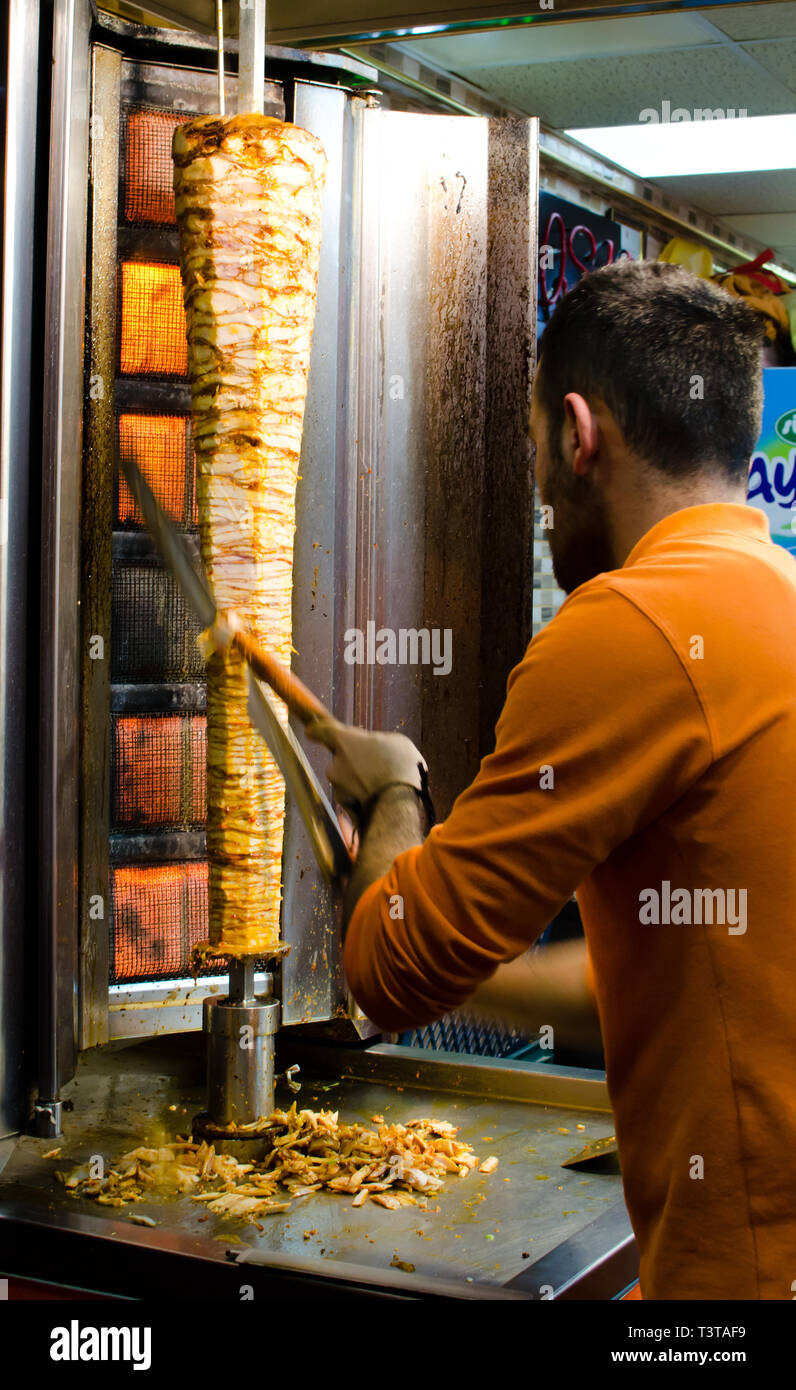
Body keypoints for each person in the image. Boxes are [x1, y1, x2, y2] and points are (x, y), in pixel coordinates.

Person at [307, 260, 796, 1301]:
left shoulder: (633, 625)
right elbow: (671, 960)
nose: (536, 492)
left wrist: (397, 788)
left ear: (578, 434)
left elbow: (389, 969)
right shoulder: (777, 597)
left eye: (531, 450)